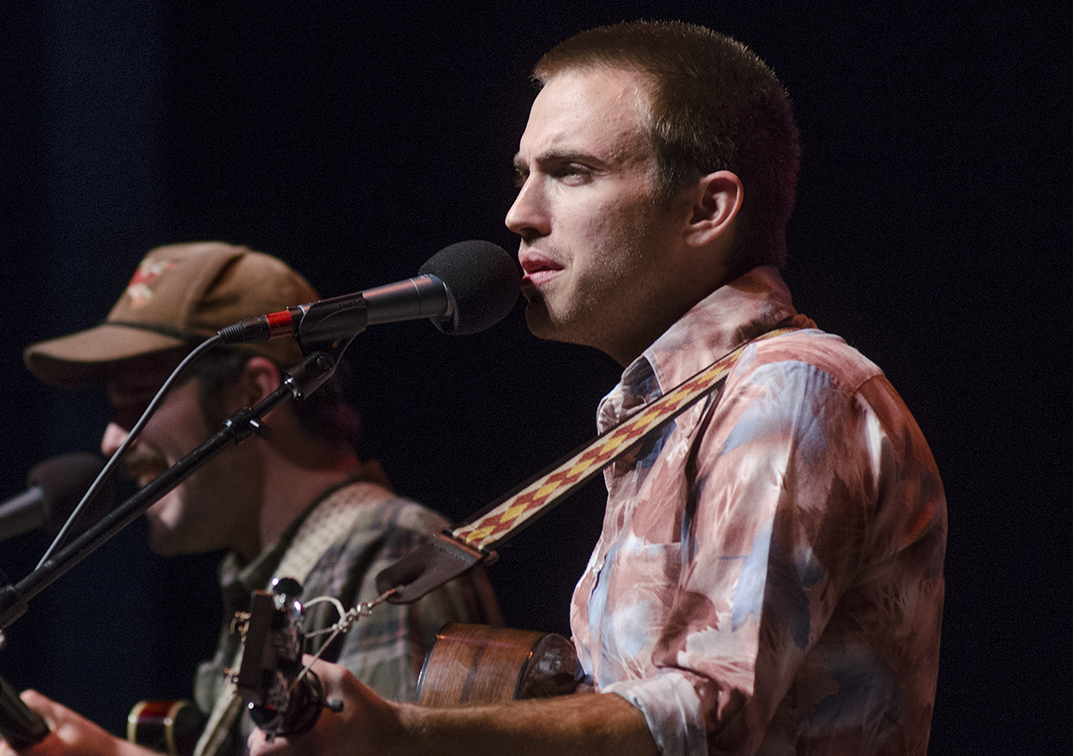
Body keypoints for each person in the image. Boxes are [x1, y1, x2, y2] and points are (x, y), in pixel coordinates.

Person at [249, 20, 945, 756]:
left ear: (706, 209)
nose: (519, 214)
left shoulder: (793, 389)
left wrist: (405, 734)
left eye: (571, 171)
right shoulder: (672, 411)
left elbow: (707, 716)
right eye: (523, 174)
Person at [0, 242, 501, 756]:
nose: (111, 439)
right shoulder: (273, 574)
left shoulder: (388, 553)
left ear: (254, 393)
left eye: (143, 397)